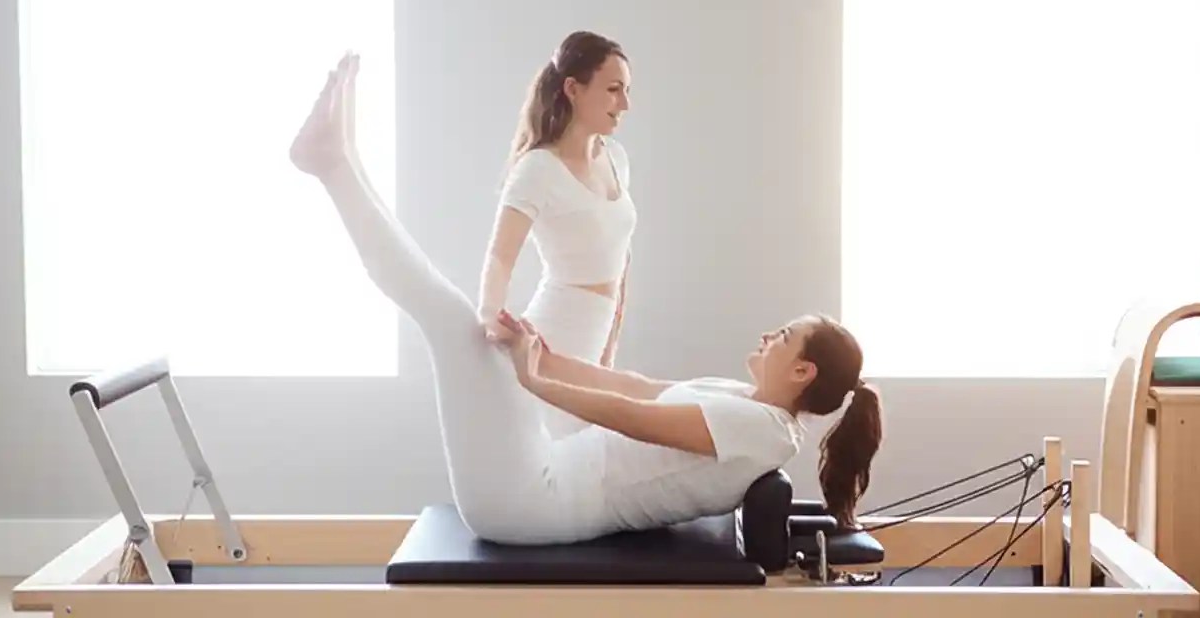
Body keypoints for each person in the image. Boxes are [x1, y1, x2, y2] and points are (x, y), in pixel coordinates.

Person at [290, 52, 883, 546]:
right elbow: (635, 388)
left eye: (784, 337)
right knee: (454, 324)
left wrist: (534, 380)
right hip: (543, 469)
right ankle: (340, 159)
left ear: (803, 371)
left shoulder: (765, 431)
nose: (769, 335)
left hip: (531, 502)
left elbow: (634, 419)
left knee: (447, 321)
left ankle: (334, 165)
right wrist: (541, 357)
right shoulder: (743, 401)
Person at [477, 31, 636, 440]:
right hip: (557, 333)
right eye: (613, 89)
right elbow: (500, 257)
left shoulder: (616, 159)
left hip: (598, 337)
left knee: (587, 452)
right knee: (554, 452)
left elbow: (621, 260)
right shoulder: (537, 170)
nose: (624, 104)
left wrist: (609, 351)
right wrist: (491, 318)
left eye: (627, 90)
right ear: (573, 89)